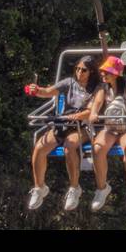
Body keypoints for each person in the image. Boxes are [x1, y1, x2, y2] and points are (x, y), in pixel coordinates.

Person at [25, 55, 101, 211]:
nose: (79, 72)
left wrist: (75, 116)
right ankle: (39, 187)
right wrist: (36, 90)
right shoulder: (69, 83)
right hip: (65, 123)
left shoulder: (97, 88)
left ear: (91, 72)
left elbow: (90, 111)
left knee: (70, 145)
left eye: (84, 70)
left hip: (83, 126)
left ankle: (74, 188)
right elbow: (47, 91)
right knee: (39, 147)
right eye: (77, 69)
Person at [88, 54, 126, 212]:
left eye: (106, 72)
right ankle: (102, 188)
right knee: (97, 148)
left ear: (115, 73)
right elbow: (97, 103)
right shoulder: (103, 87)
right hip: (111, 126)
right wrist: (94, 113)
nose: (103, 74)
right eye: (102, 71)